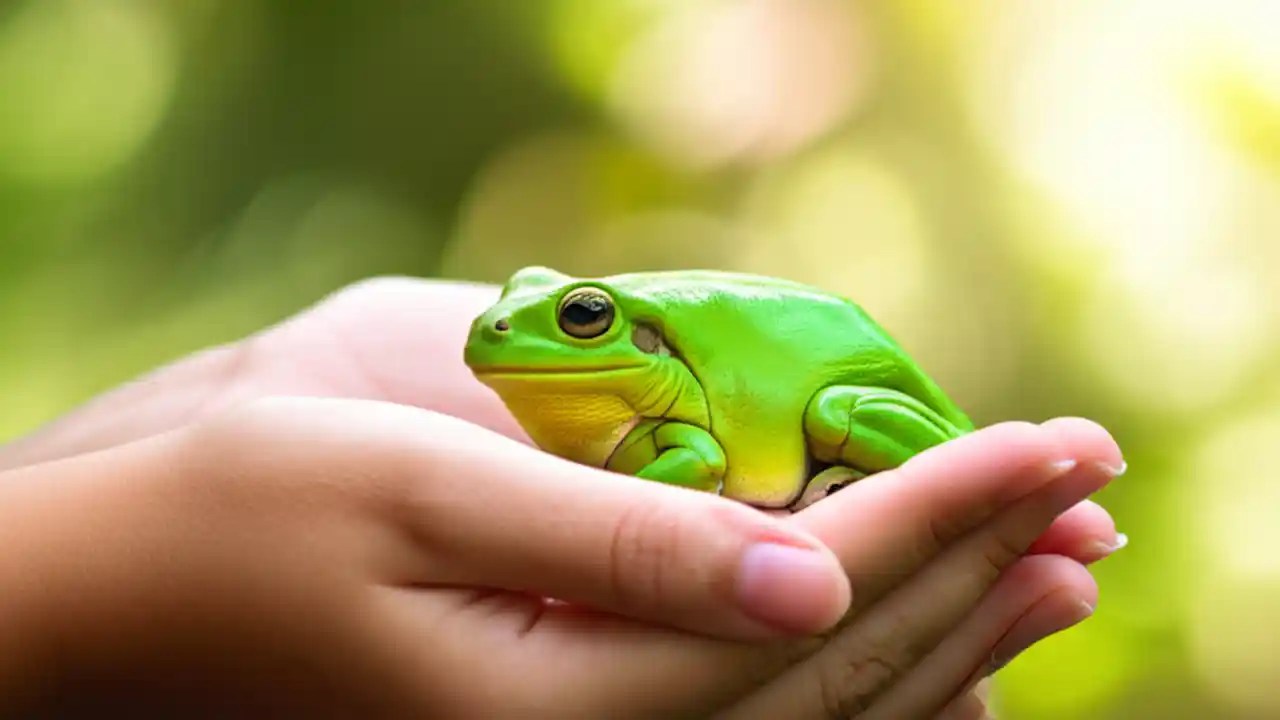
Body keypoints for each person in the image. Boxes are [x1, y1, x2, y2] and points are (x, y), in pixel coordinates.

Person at [0, 277, 1126, 718]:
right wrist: (97, 595)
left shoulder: (667, 416)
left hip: (831, 415)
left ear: (631, 339)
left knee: (834, 428)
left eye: (577, 319)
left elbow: (690, 461)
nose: (503, 331)